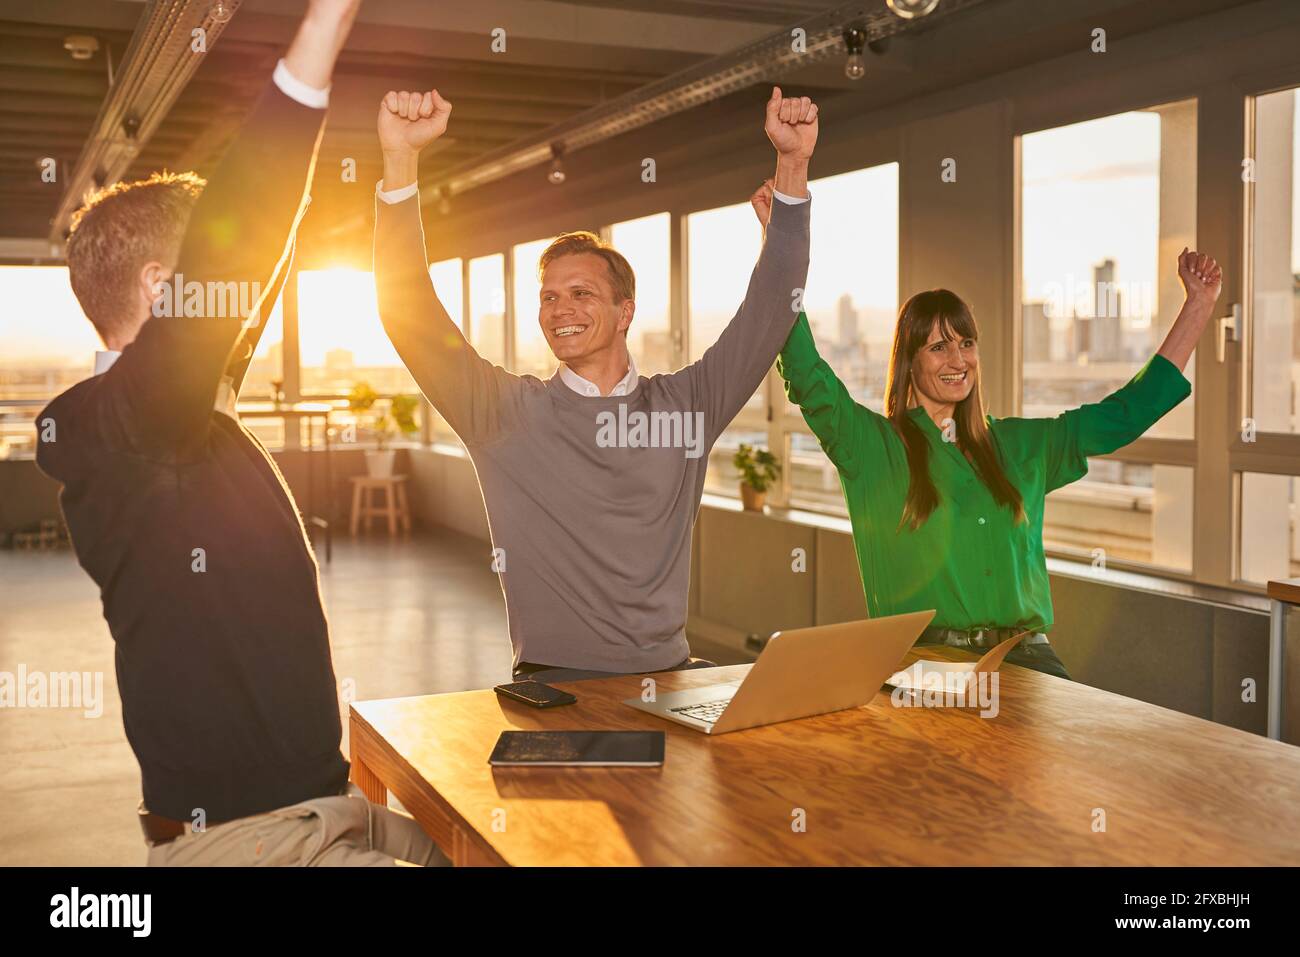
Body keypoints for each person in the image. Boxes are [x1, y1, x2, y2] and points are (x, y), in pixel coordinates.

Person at [35, 0, 445, 866]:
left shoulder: (170, 422)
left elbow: (260, 257)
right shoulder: (135, 429)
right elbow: (244, 242)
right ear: (163, 290)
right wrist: (328, 24)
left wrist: (398, 163)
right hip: (252, 843)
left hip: (312, 808)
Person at [372, 86, 818, 684]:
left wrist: (792, 167)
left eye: (581, 293)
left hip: (670, 682)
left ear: (624, 311)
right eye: (549, 297)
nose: (561, 309)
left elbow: (771, 309)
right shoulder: (504, 414)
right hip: (554, 686)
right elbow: (411, 318)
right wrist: (400, 163)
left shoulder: (688, 406)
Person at [755, 182, 1222, 679]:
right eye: (938, 348)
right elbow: (806, 372)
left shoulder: (1022, 445)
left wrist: (1199, 305)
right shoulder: (874, 448)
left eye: (966, 343)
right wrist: (778, 244)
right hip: (924, 666)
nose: (957, 360)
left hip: (1029, 664)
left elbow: (1124, 414)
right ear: (908, 361)